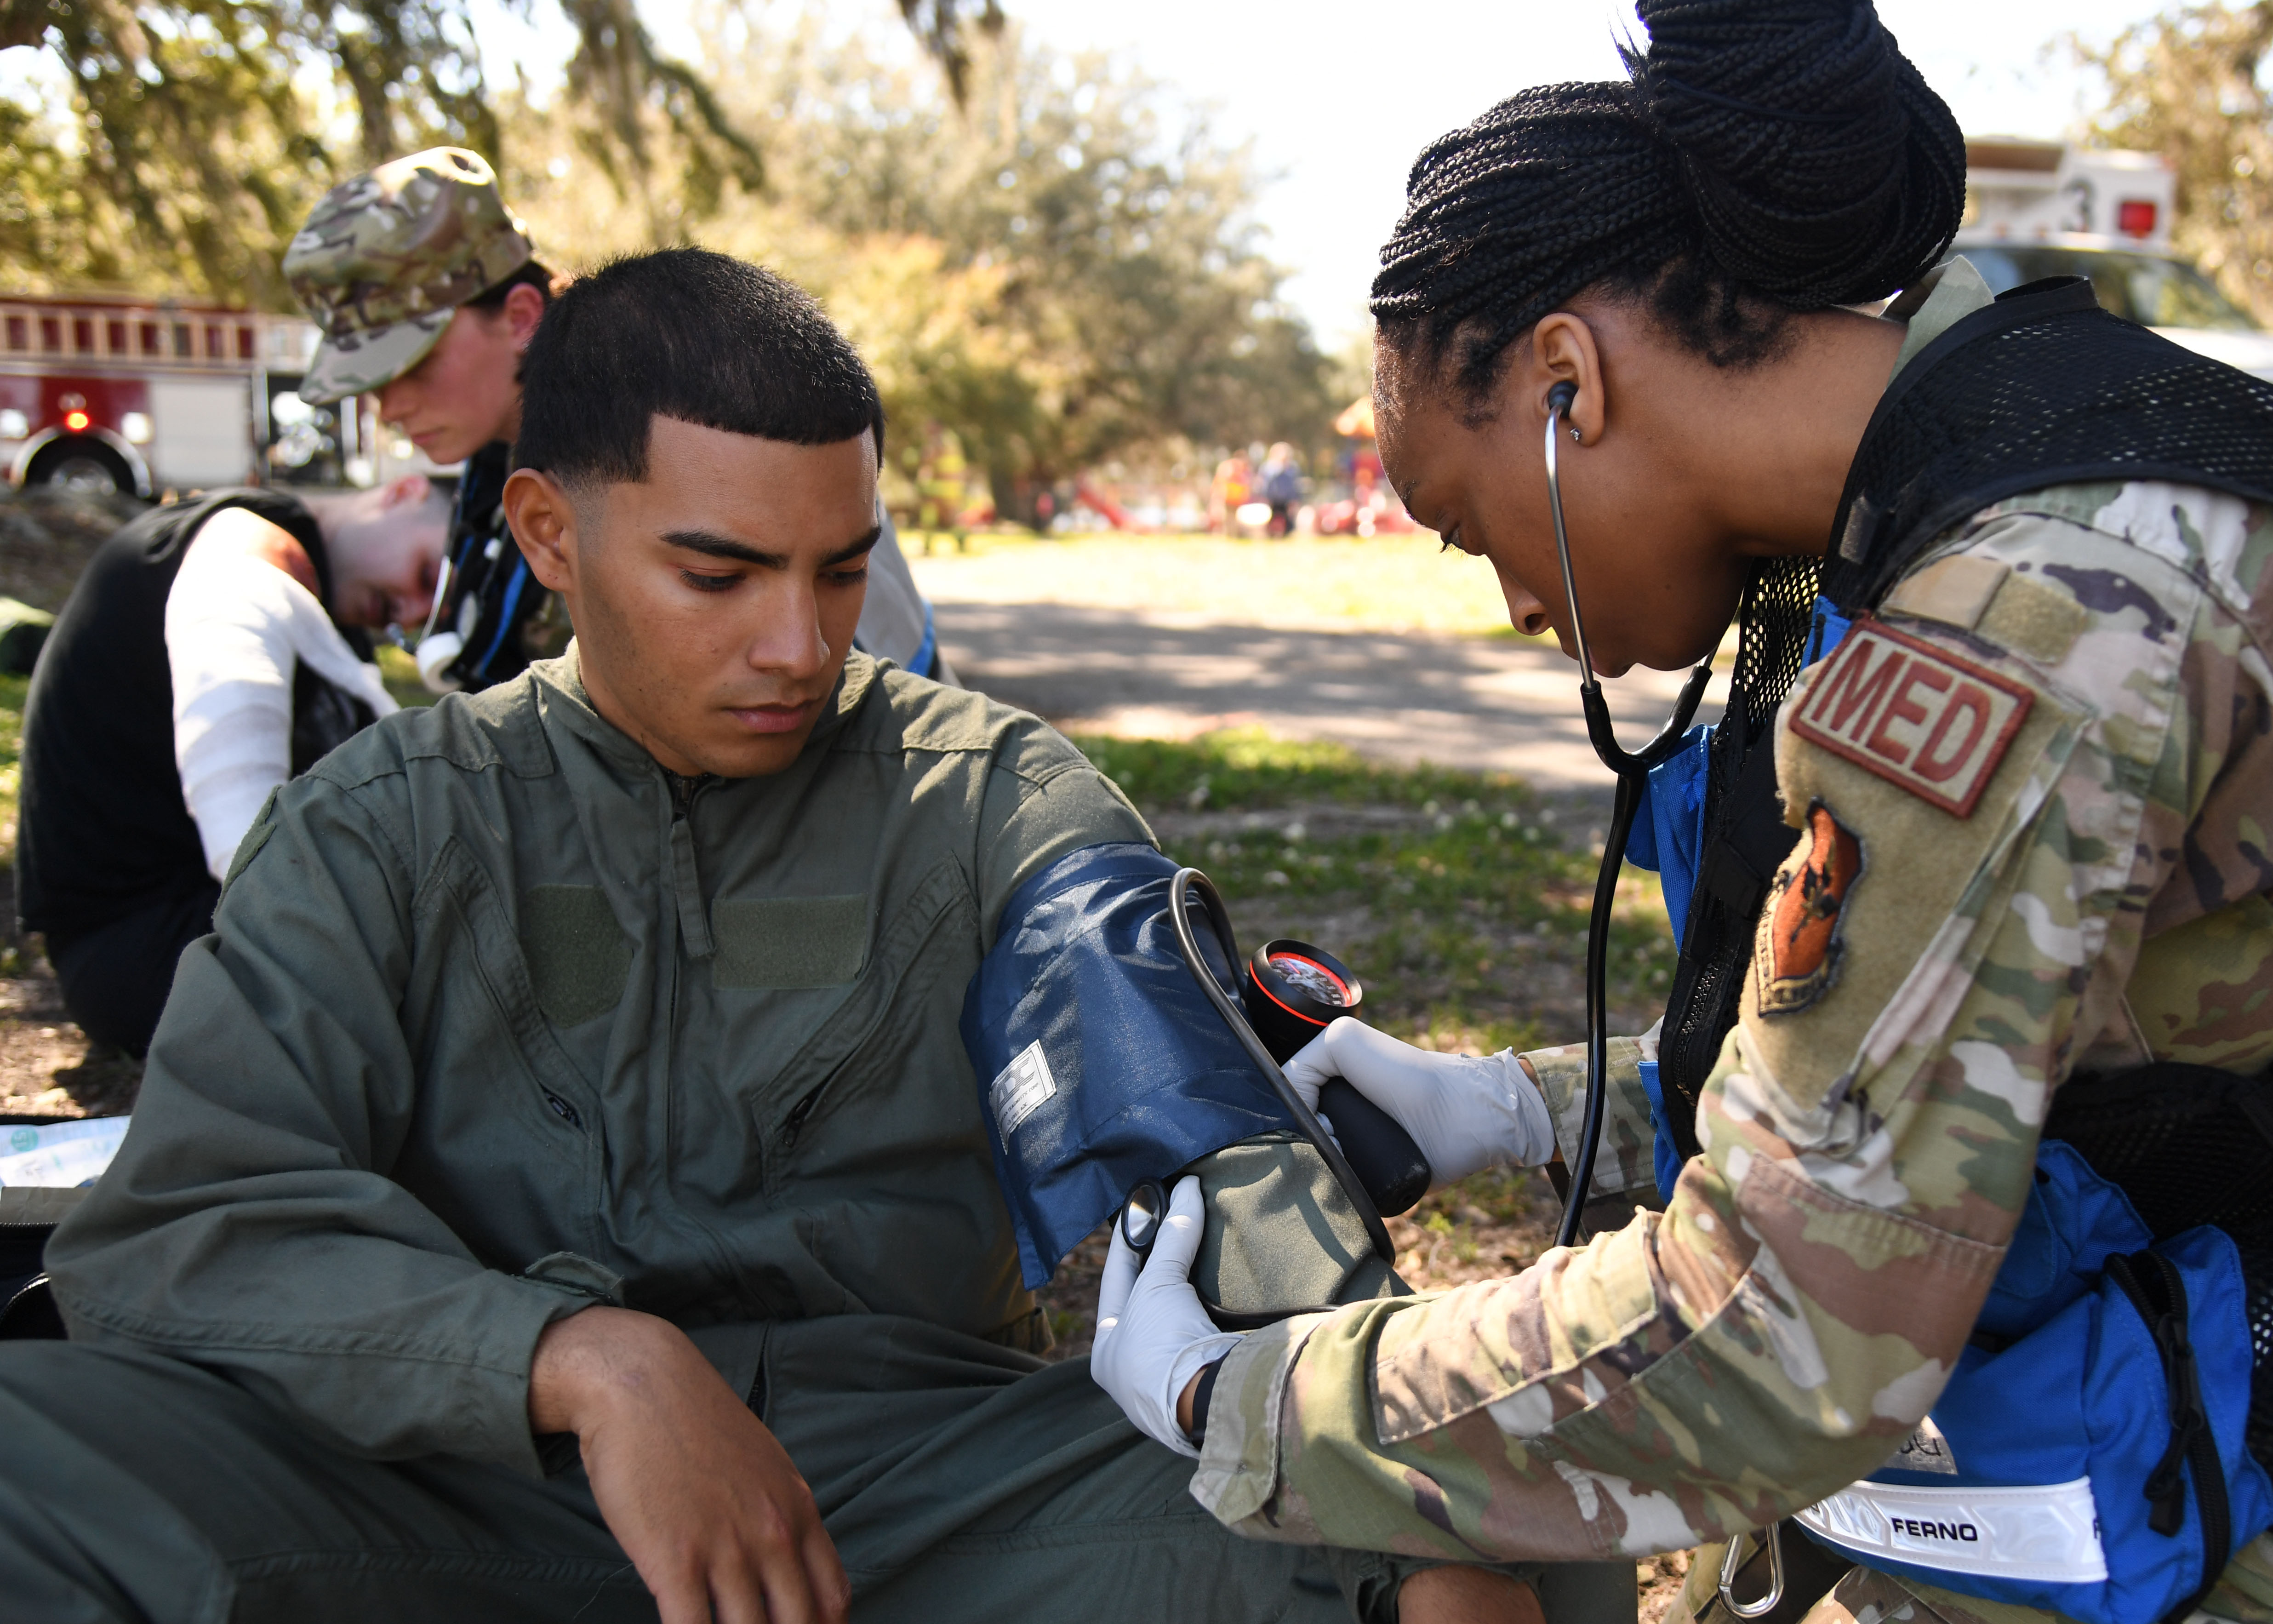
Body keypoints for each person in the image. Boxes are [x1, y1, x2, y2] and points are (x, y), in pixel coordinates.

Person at [0, 248, 1538, 1624]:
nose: (800, 646)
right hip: (452, 1486)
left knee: (1467, 1512)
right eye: (718, 574)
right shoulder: (383, 828)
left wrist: (1368, 1433)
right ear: (546, 532)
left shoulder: (990, 799)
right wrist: (582, 1363)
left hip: (918, 1503)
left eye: (841, 568)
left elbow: (1212, 1141)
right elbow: (191, 1225)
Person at [1091, 5, 2273, 1624]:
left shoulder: (2024, 617)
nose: (1512, 599)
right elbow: (1947, 1063)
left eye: (1466, 523)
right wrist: (1511, 1111)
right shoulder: (2022, 469)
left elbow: (1777, 1333)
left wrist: (1249, 1403)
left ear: (1569, 383)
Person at [284, 146, 953, 696]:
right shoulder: (504, 467)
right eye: (371, 383)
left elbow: (864, 701)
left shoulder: (700, 424)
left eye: (415, 366)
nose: (390, 407)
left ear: (519, 318)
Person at [14, 476, 447, 1056]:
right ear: (403, 491)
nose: (414, 613)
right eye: (426, 574)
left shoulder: (309, 598)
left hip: (181, 937)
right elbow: (250, 840)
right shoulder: (248, 540)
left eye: (430, 616)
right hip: (154, 949)